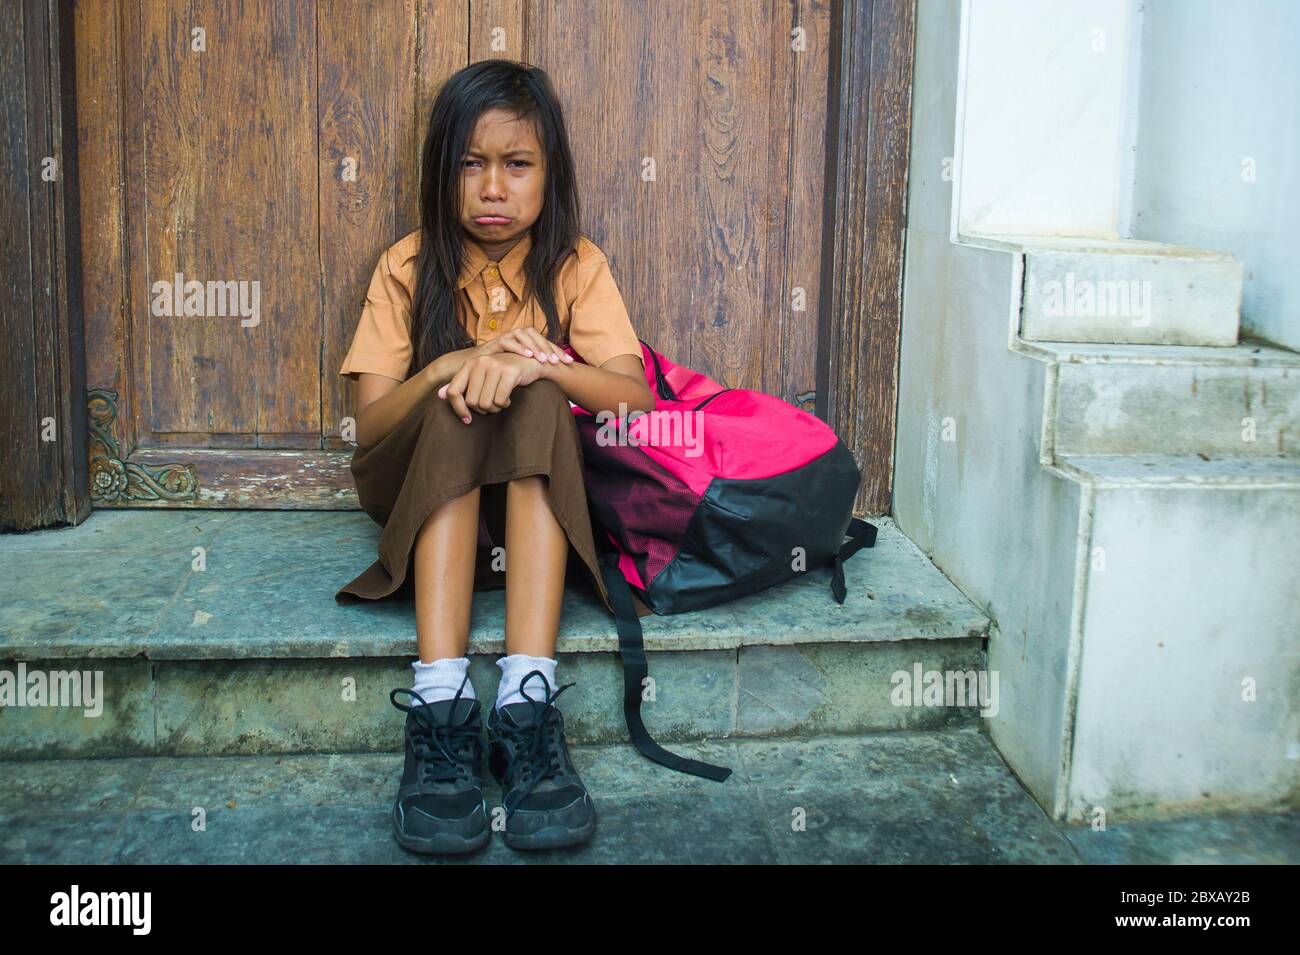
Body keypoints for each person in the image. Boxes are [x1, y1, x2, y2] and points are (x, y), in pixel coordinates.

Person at [334, 59, 655, 854]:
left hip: (525, 510)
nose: (492, 189)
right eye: (470, 165)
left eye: (517, 165)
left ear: (550, 175)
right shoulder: (407, 266)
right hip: (419, 494)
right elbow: (370, 430)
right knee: (458, 402)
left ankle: (526, 702)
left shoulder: (575, 263)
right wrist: (451, 365)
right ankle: (441, 704)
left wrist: (534, 362)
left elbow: (635, 398)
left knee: (539, 394)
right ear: (444, 172)